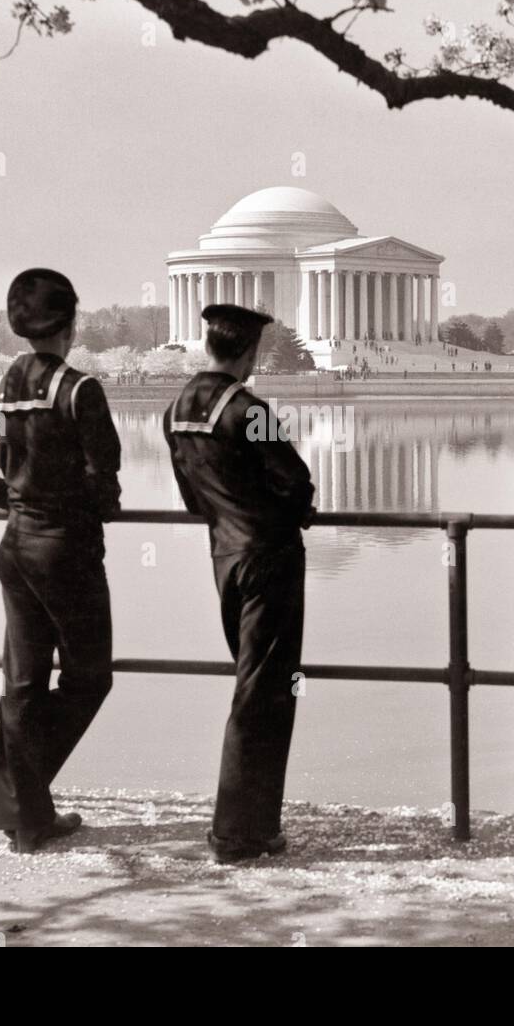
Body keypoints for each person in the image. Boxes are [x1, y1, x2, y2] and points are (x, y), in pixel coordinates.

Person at [0, 268, 122, 854]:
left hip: (15, 550)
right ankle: (11, 793)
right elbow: (107, 489)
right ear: (71, 323)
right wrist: (69, 502)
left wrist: (23, 499)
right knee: (90, 677)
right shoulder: (81, 391)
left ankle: (16, 803)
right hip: (67, 554)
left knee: (24, 684)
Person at [162, 304, 315, 864]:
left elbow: (190, 494)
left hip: (223, 557)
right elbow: (296, 482)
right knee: (265, 691)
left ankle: (241, 826)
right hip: (269, 559)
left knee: (252, 684)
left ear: (210, 345)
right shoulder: (249, 410)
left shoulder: (176, 409)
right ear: (251, 352)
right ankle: (242, 831)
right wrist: (295, 512)